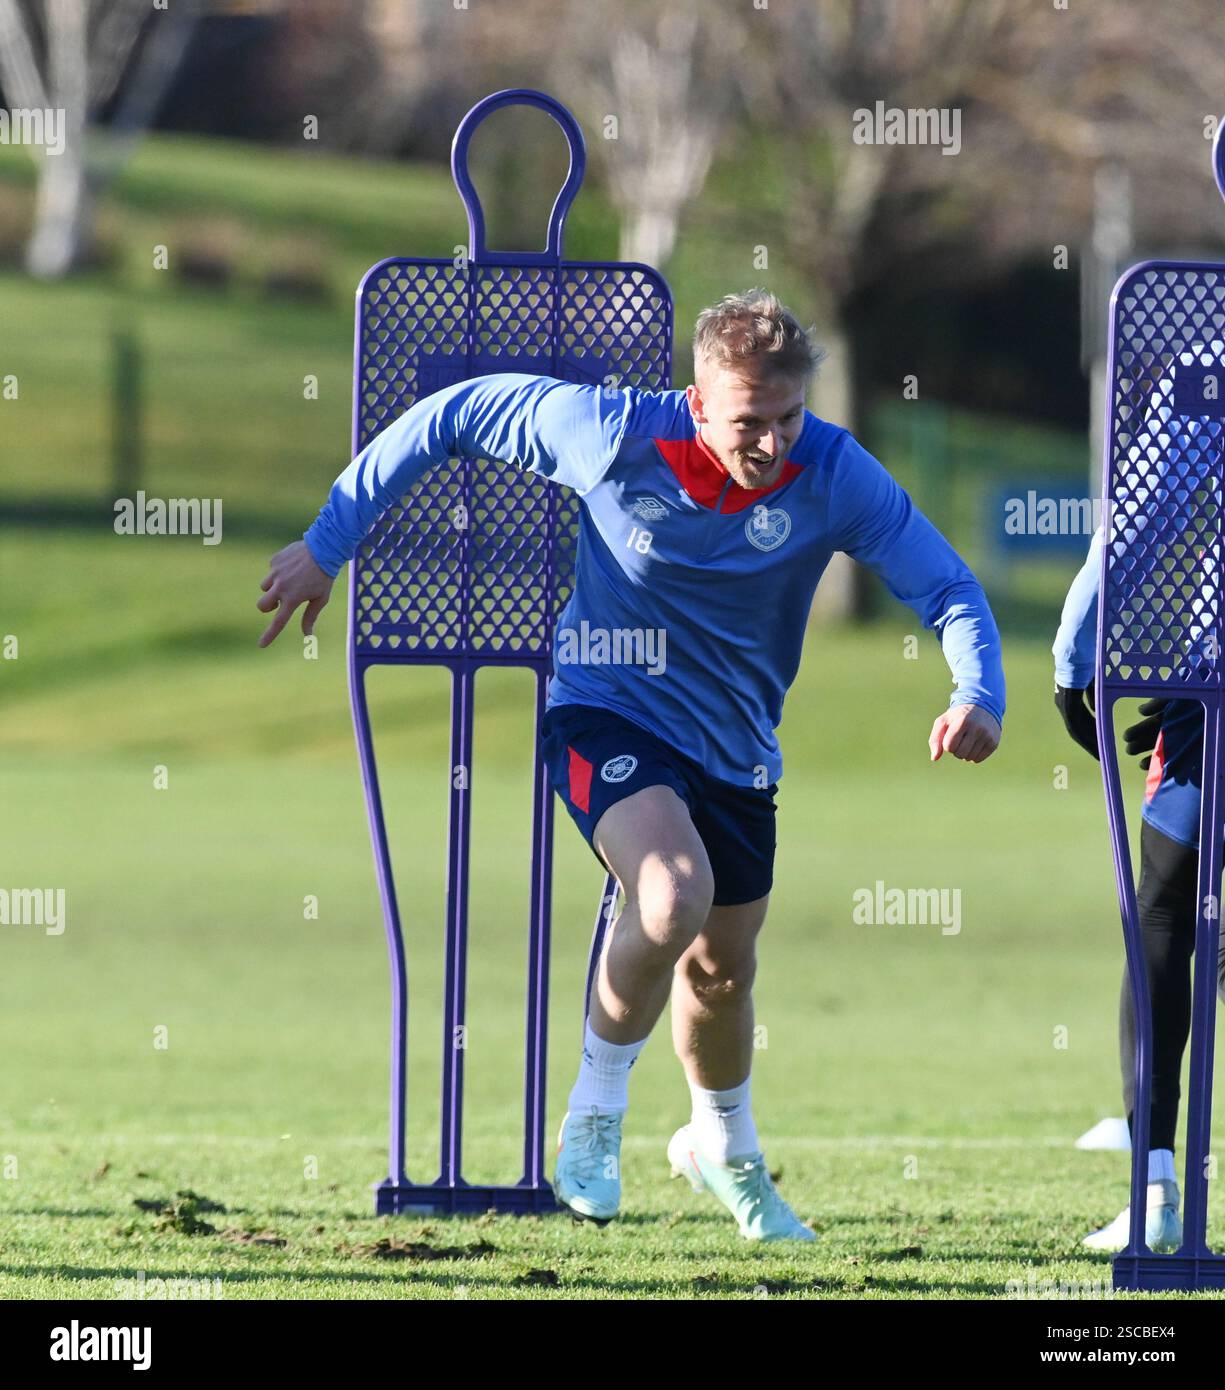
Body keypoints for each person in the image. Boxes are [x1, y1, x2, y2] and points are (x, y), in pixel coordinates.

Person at [258, 289, 1005, 1241]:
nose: (772, 443)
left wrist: (976, 692)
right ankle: (594, 1116)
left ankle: (721, 1149)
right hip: (603, 713)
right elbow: (446, 415)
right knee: (669, 895)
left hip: (736, 753)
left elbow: (945, 586)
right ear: (697, 403)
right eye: (749, 422)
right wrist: (328, 546)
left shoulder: (834, 472)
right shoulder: (606, 431)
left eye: (787, 419)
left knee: (722, 974)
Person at [1053, 346, 1225, 1254]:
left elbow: (1142, 515)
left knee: (1164, 909)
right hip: (1211, 678)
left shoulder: (1211, 361)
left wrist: (1075, 655)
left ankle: (1156, 1186)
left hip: (1219, 683)